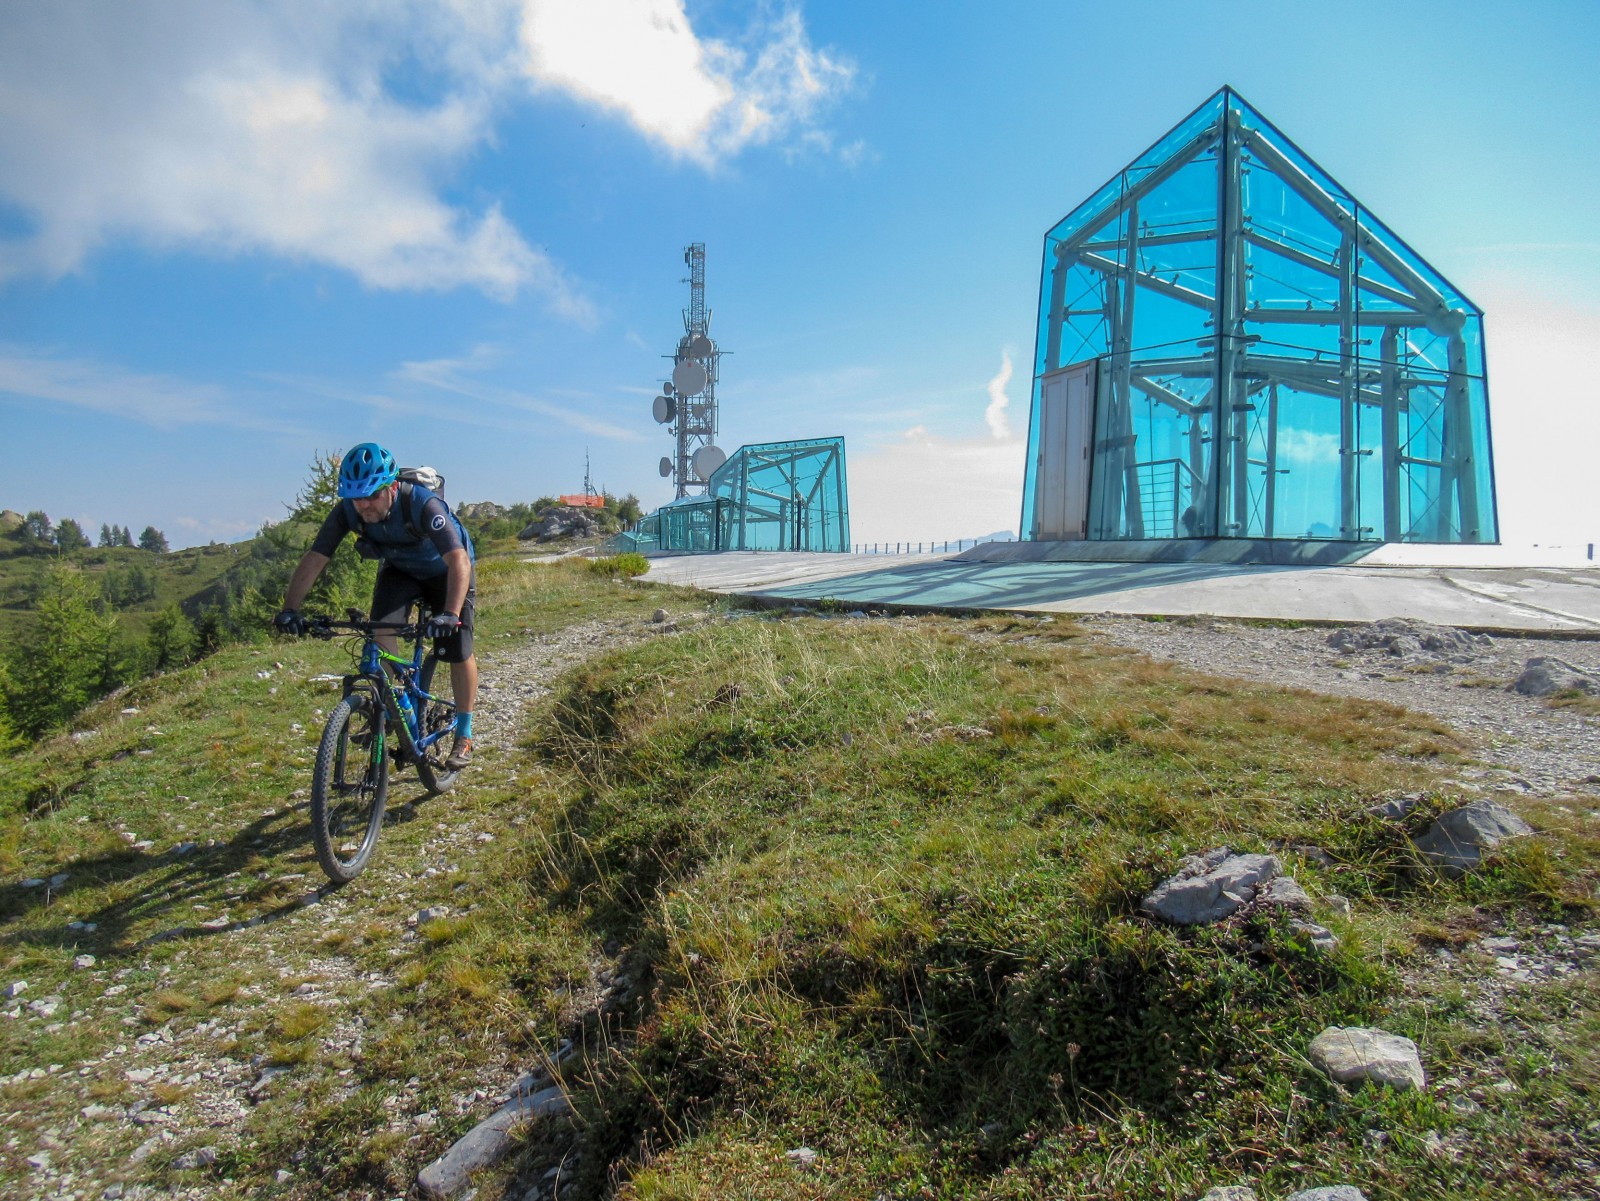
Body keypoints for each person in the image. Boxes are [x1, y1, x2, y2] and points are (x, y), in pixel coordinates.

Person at [274, 443, 478, 769]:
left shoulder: (423, 504)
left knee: (456, 649)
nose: (364, 505)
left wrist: (451, 614)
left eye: (371, 496)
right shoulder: (347, 511)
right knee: (380, 634)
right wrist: (290, 609)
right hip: (399, 571)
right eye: (357, 498)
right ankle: (394, 705)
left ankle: (464, 735)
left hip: (447, 572)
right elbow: (315, 558)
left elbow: (458, 560)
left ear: (391, 487)